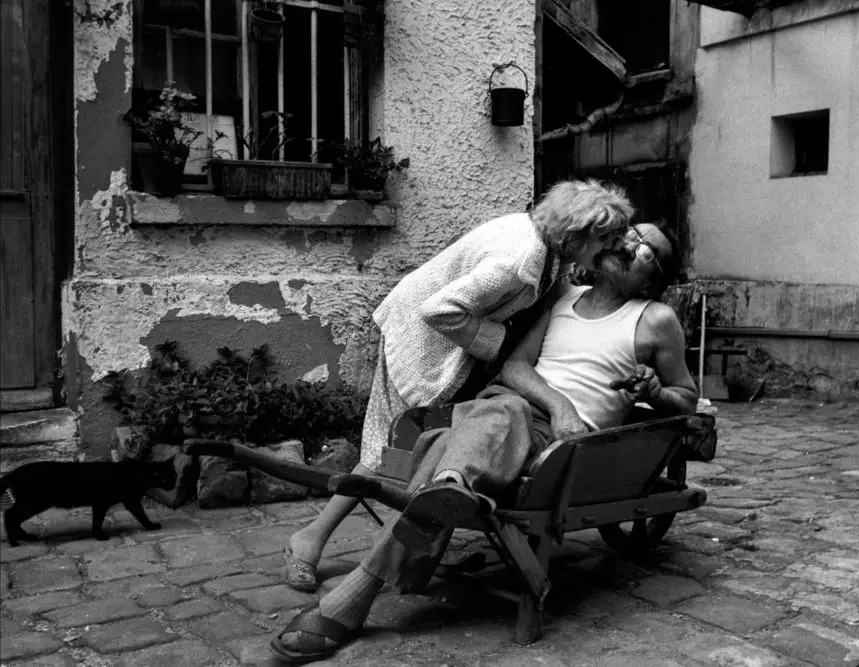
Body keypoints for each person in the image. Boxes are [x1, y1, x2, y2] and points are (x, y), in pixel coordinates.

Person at [270, 223, 699, 662]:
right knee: (457, 431)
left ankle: (361, 587)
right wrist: (557, 403)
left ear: (655, 279)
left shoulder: (656, 321)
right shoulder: (563, 298)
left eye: (647, 250)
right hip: (503, 419)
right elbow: (514, 368)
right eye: (631, 233)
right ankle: (444, 493)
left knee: (471, 432)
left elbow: (687, 399)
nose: (631, 245)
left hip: (558, 448)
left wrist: (654, 393)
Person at [282, 180, 635, 593]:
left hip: (446, 340)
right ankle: (311, 539)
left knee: (425, 445)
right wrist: (499, 345)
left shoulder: (544, 245)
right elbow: (439, 310)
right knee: (388, 451)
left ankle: (412, 542)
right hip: (419, 338)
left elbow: (550, 290)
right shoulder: (516, 258)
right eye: (604, 240)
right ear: (576, 233)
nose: (609, 249)